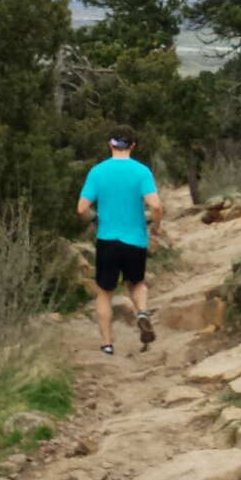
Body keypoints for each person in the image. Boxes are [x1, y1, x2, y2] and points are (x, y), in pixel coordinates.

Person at [77, 126, 162, 356]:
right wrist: (156, 226)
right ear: (132, 146)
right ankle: (142, 312)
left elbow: (82, 208)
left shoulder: (97, 172)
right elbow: (155, 205)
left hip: (107, 239)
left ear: (110, 144)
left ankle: (107, 344)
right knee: (137, 283)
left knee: (105, 292)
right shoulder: (142, 172)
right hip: (135, 240)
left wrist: (95, 219)